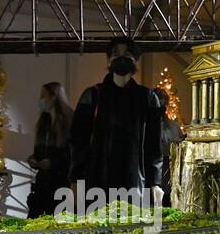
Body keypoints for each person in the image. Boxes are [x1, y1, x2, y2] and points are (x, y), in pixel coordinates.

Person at [68, 37, 165, 208]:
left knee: (133, 230)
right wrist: (76, 180)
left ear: (135, 60)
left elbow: (154, 146)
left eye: (127, 54)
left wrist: (155, 182)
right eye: (115, 54)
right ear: (108, 60)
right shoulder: (93, 96)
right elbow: (78, 142)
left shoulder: (148, 99)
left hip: (135, 181)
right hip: (98, 181)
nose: (120, 58)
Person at [25, 82, 73, 218]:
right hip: (43, 185)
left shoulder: (68, 122)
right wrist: (34, 159)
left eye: (43, 96)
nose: (40, 100)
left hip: (61, 184)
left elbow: (72, 154)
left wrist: (53, 163)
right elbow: (39, 152)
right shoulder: (43, 122)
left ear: (53, 97)